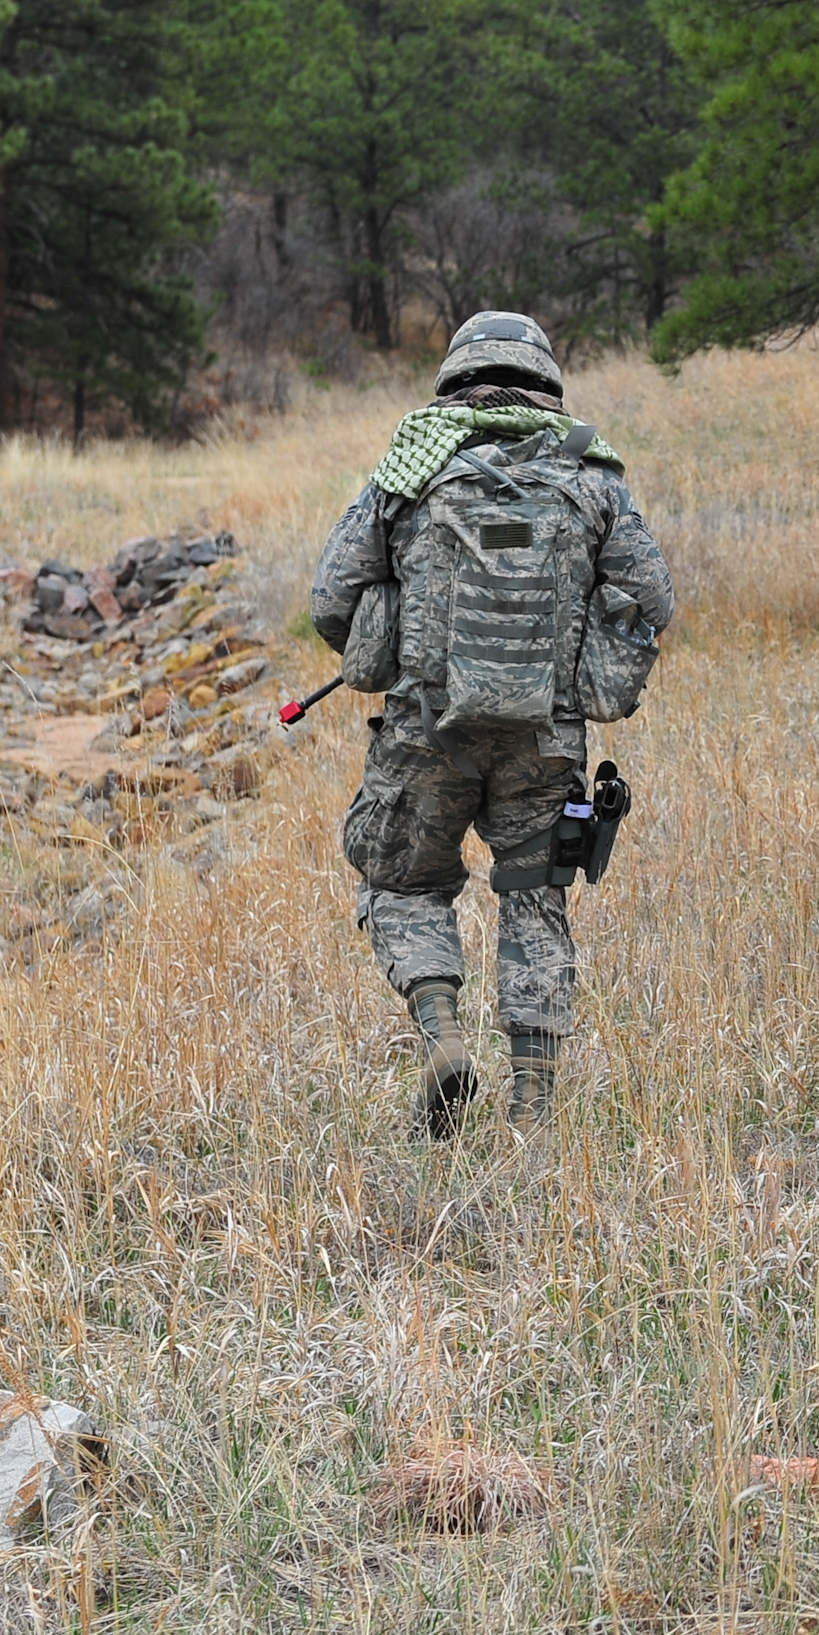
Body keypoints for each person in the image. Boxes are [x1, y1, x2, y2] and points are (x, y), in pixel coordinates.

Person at [310, 311, 675, 1136]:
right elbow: (653, 603)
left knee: (401, 884)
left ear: (455, 380)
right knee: (535, 900)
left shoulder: (409, 472)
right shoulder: (594, 479)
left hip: (424, 731)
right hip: (546, 740)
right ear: (546, 382)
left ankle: (443, 1036)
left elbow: (330, 603)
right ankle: (534, 1110)